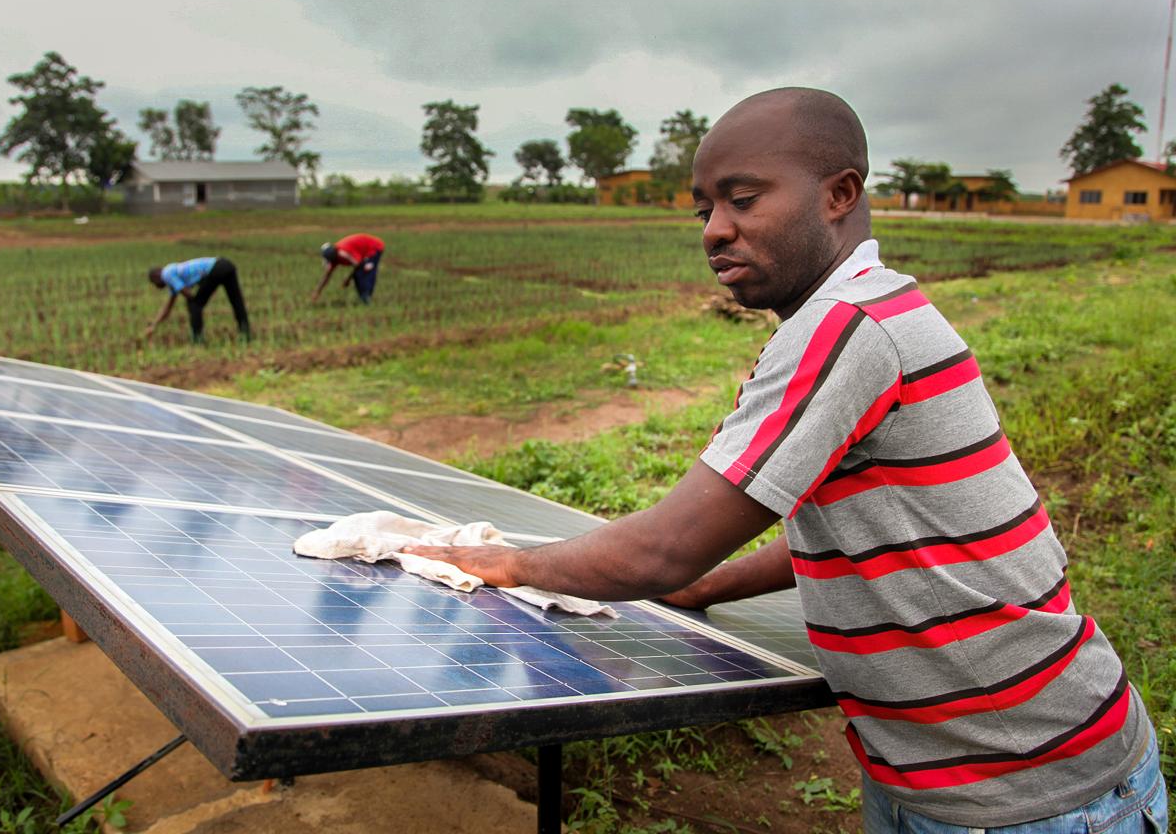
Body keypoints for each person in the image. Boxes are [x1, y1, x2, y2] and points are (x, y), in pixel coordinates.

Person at [404, 88, 1166, 832]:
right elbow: (861, 521)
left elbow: (664, 547)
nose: (714, 230)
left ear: (839, 194)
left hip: (1031, 789)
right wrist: (716, 585)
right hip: (950, 777)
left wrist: (508, 565)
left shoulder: (845, 326)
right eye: (706, 209)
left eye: (743, 199)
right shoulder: (877, 307)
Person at [144, 256, 250, 344]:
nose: (157, 287)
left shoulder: (166, 274)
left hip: (215, 269)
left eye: (155, 284)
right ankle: (246, 334)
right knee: (237, 302)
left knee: (194, 305)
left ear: (156, 277)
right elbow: (168, 307)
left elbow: (187, 293)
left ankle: (197, 339)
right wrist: (154, 325)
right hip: (226, 265)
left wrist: (199, 296)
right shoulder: (172, 271)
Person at [313, 233, 384, 304]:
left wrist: (348, 279)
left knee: (363, 272)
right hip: (363, 252)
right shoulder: (334, 258)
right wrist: (317, 292)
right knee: (358, 274)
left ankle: (366, 297)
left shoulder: (344, 254)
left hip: (374, 247)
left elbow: (358, 265)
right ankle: (364, 297)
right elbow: (327, 276)